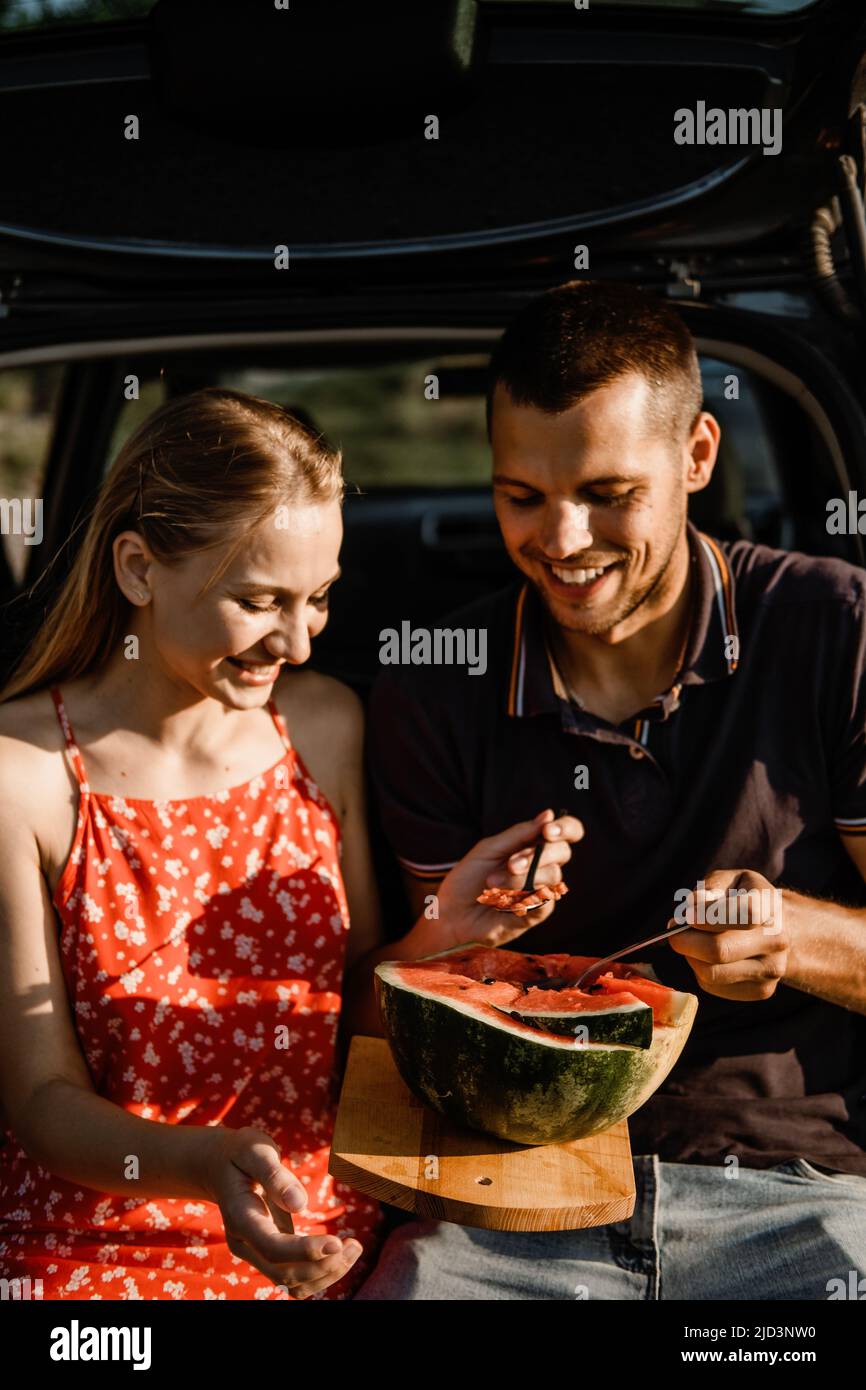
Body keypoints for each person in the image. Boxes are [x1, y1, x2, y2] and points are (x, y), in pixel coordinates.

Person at [0, 386, 579, 1301]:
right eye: (258, 600)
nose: (302, 643)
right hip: (92, 1252)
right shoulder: (21, 774)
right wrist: (205, 1167)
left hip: (322, 1232)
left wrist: (445, 933)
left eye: (317, 599)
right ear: (139, 569)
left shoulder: (321, 725)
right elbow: (39, 1104)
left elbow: (349, 1010)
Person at [355, 279, 866, 1301]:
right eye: (521, 496)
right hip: (499, 1197)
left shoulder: (833, 629)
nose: (563, 540)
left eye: (606, 492)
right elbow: (396, 1019)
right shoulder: (431, 687)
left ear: (696, 458)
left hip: (800, 1192)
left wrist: (792, 937)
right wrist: (453, 938)